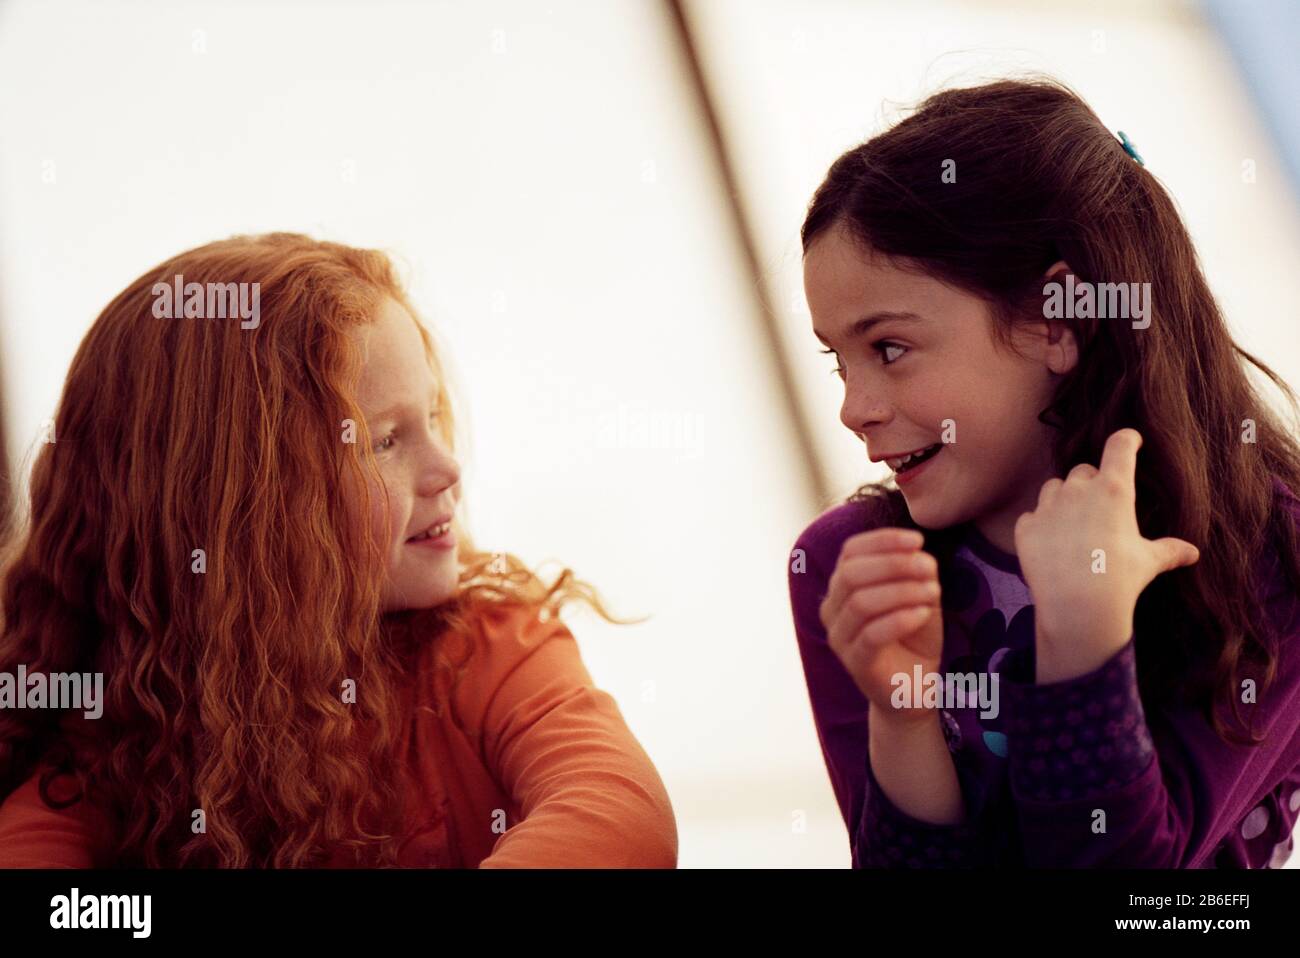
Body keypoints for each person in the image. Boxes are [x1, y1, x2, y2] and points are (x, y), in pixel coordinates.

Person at [0, 233, 677, 868]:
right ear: (247, 509)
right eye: (384, 441)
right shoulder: (111, 744)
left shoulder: (491, 649)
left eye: (433, 418)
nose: (447, 468)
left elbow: (622, 814)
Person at [788, 78, 1300, 868]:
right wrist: (903, 717)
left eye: (888, 348)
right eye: (838, 361)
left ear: (1058, 320)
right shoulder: (850, 570)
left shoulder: (1273, 555)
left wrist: (1083, 641)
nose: (853, 409)